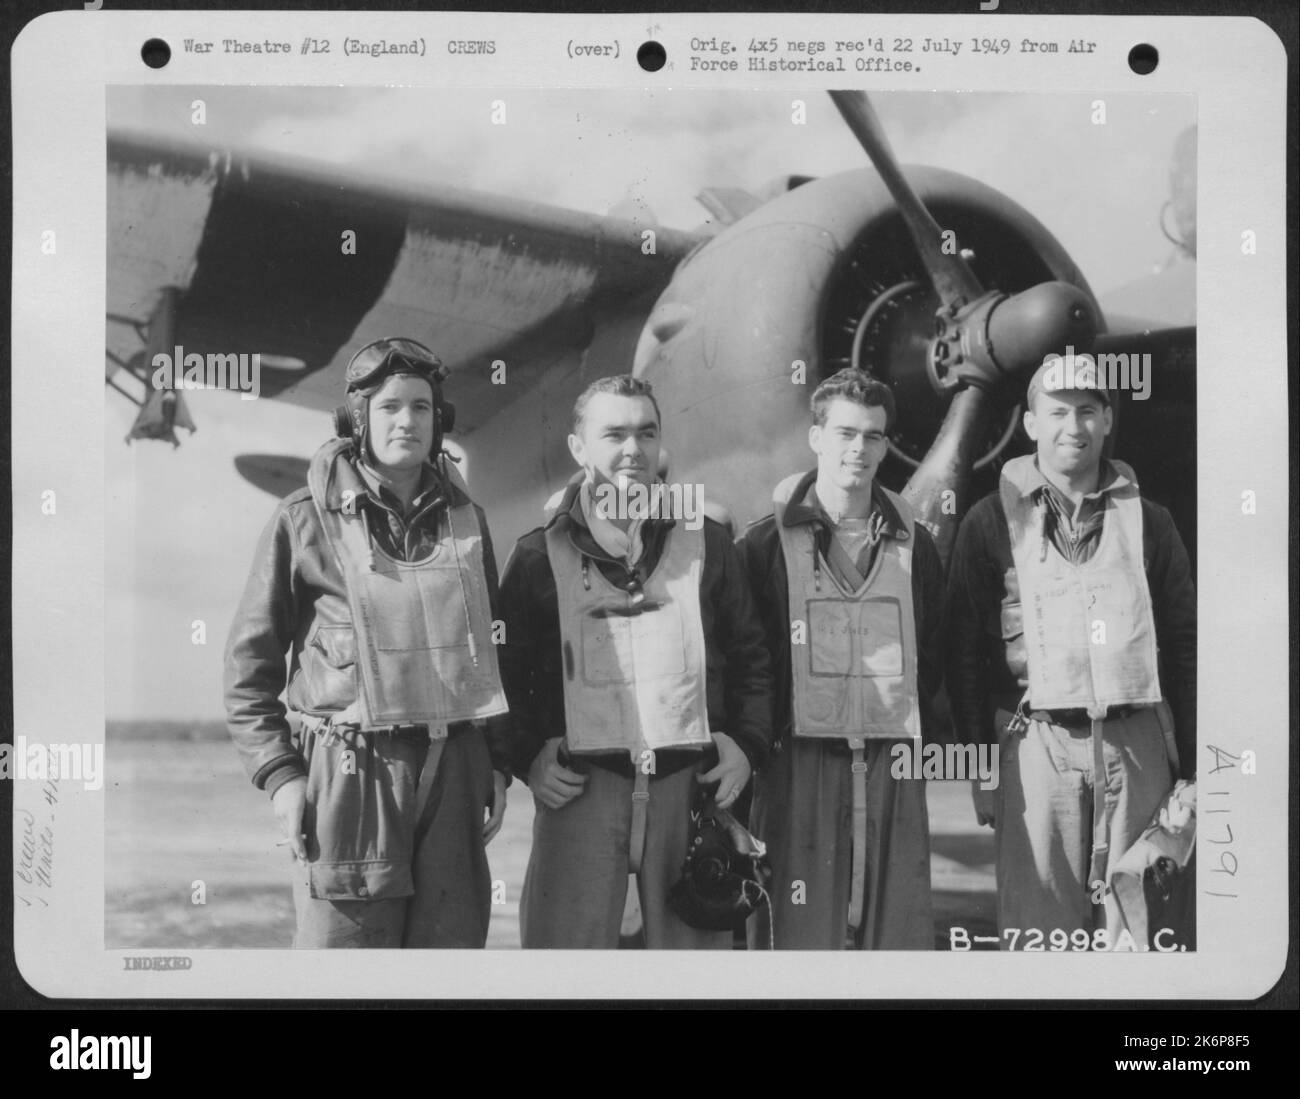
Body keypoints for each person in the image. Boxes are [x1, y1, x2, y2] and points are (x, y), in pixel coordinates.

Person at [224, 337, 512, 948]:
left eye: (421, 407)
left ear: (439, 422)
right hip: (350, 776)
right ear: (359, 420)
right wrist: (282, 777)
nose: (407, 421)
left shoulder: (468, 521)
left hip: (455, 768)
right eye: (389, 407)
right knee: (343, 970)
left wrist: (497, 765)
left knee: (449, 966)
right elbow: (248, 668)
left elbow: (492, 648)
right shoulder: (303, 520)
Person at [497, 375, 772, 949]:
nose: (633, 449)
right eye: (614, 433)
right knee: (565, 973)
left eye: (646, 433)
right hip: (581, 793)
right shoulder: (536, 555)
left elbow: (751, 655)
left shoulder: (706, 542)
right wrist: (527, 758)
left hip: (688, 792)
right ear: (578, 448)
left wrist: (747, 743)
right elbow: (504, 672)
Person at [946, 355, 1196, 950]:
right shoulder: (987, 522)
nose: (1073, 426)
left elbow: (1184, 645)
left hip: (1138, 746)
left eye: (1088, 411)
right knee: (1039, 933)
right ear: (1030, 424)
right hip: (1034, 747)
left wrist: (1191, 770)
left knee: (1138, 933)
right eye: (1057, 412)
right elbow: (962, 653)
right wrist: (981, 764)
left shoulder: (1152, 522)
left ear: (1107, 420)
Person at [736, 368, 945, 950]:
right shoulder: (761, 545)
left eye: (874, 436)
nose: (860, 449)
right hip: (798, 762)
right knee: (794, 940)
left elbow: (934, 645)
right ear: (816, 436)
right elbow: (746, 660)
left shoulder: (916, 543)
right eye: (847, 432)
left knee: (899, 940)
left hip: (893, 762)